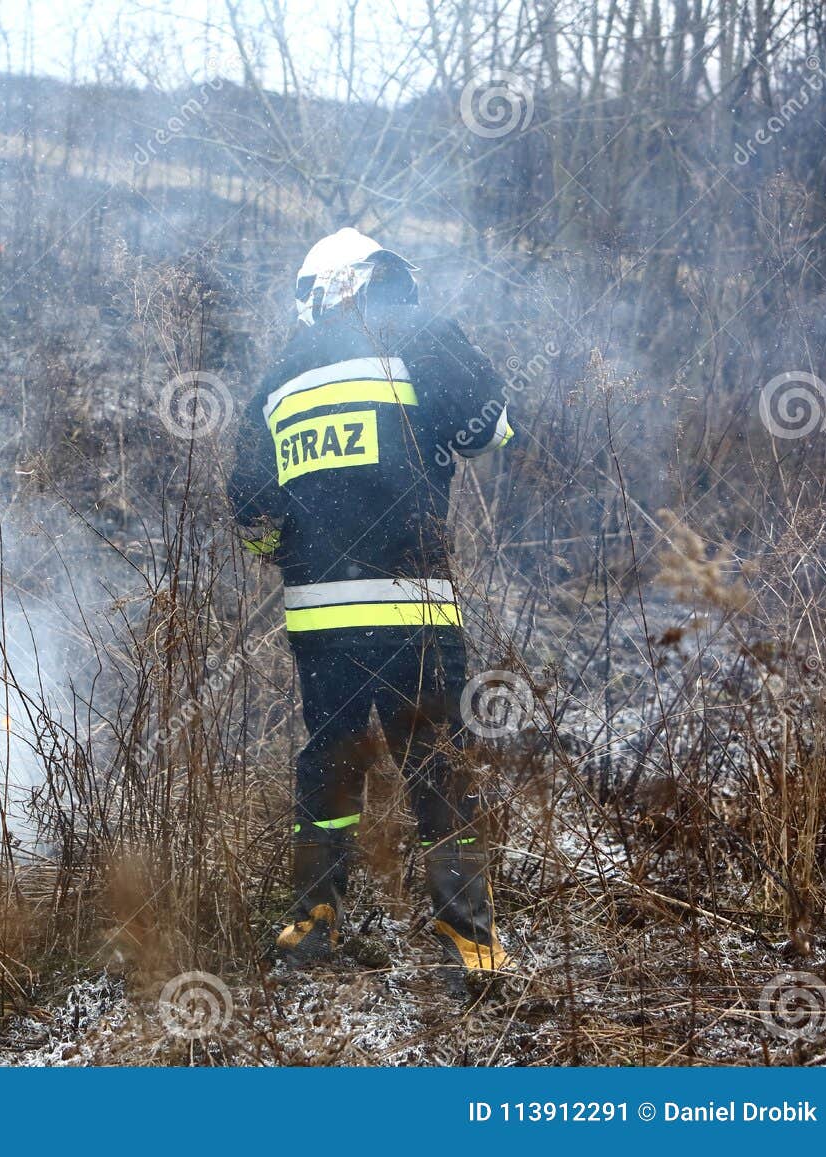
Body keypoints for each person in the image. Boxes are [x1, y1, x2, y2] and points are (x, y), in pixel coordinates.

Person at [228, 229, 514, 981]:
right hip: (414, 611)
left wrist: (290, 556)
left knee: (328, 764)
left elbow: (250, 508)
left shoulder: (279, 372)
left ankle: (312, 922)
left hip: (320, 620)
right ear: (374, 278)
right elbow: (487, 427)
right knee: (437, 765)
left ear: (323, 288)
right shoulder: (416, 331)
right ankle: (469, 944)